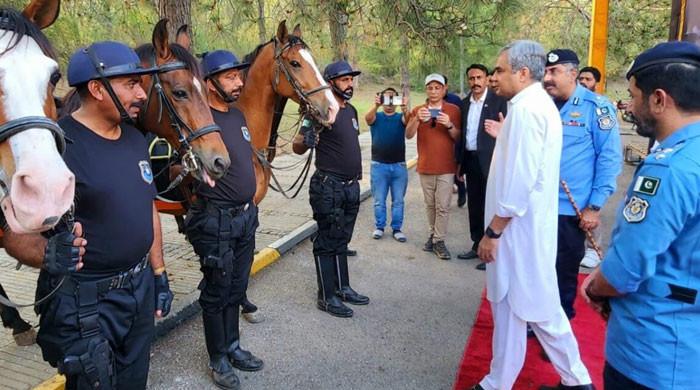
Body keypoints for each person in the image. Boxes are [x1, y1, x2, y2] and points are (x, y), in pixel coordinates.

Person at [3, 41, 174, 389]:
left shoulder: (135, 139)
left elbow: (148, 207)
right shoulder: (53, 145)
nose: (141, 94)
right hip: (86, 303)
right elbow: (9, 231)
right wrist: (47, 254)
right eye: (131, 84)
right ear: (97, 88)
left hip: (139, 290)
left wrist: (159, 272)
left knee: (134, 380)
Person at [472, 40, 593, 390]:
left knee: (538, 306)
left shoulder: (527, 109)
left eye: (499, 70)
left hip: (516, 231)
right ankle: (499, 380)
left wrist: (493, 232)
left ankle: (577, 380)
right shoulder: (532, 105)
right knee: (514, 305)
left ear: (523, 73)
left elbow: (520, 180)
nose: (494, 77)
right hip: (523, 229)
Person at [581, 41, 700, 390]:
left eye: (634, 96)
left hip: (654, 350)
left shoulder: (669, 169)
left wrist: (597, 287)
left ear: (659, 99)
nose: (630, 106)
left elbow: (624, 271)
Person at [183, 50, 264, 389]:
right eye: (231, 77)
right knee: (217, 291)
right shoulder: (199, 123)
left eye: (239, 76)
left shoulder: (237, 117)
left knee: (236, 287)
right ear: (209, 82)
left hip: (246, 218)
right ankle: (218, 358)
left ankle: (233, 346)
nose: (239, 82)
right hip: (215, 220)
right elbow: (180, 167)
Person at [543, 49, 622, 320]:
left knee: (563, 269)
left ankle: (559, 323)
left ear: (573, 74)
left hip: (571, 207)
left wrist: (595, 206)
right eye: (545, 71)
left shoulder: (596, 108)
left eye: (554, 72)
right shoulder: (542, 105)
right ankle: (538, 317)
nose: (547, 78)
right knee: (538, 267)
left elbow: (609, 158)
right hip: (538, 204)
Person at [292, 60, 369, 318]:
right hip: (328, 186)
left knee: (342, 240)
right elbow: (297, 145)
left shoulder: (352, 111)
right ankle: (327, 296)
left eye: (351, 80)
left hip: (350, 187)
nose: (350, 84)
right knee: (327, 241)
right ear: (331, 82)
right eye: (345, 79)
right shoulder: (319, 110)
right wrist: (307, 138)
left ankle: (343, 287)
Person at [456, 64, 508, 265]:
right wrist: (460, 165)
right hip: (470, 160)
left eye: (479, 77)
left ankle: (491, 249)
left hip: (491, 161)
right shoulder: (464, 104)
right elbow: (462, 135)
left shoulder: (499, 102)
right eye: (471, 78)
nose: (475, 82)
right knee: (474, 206)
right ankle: (476, 244)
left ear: (486, 79)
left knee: (491, 205)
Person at [406, 74, 461, 260]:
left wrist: (449, 124)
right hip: (425, 165)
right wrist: (416, 120)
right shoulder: (418, 110)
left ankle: (439, 240)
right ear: (426, 90)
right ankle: (432, 235)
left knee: (443, 206)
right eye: (430, 87)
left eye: (438, 87)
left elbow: (458, 137)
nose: (434, 91)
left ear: (445, 89)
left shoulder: (453, 110)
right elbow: (408, 134)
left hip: (446, 166)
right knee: (430, 205)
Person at [365, 87, 409, 242]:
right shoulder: (376, 116)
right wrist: (376, 105)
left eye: (393, 99)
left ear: (397, 101)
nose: (389, 103)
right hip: (379, 165)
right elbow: (367, 119)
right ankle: (379, 227)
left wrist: (405, 109)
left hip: (399, 166)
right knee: (379, 200)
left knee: (398, 201)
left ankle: (397, 228)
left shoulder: (400, 117)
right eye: (386, 99)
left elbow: (408, 122)